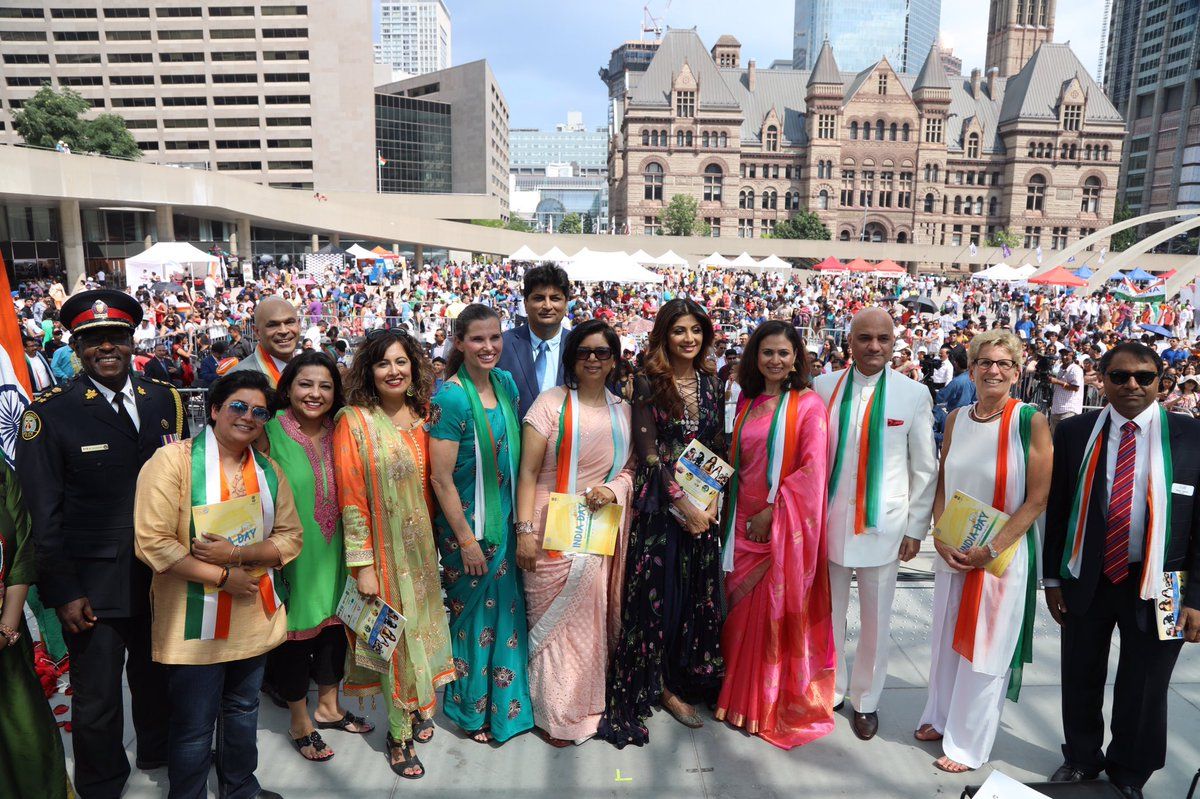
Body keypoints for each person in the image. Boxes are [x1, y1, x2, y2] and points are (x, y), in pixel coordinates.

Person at [15, 289, 188, 799]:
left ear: (132, 339)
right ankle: (101, 782)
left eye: (115, 336)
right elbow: (41, 514)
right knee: (97, 697)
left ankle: (158, 750)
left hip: (161, 573)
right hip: (91, 585)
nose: (106, 348)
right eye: (93, 340)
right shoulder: (51, 412)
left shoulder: (165, 399)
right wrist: (63, 589)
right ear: (76, 346)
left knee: (159, 678)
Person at [133, 370, 302, 799]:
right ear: (213, 410)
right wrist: (222, 577)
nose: (248, 417)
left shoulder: (268, 470)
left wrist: (237, 556)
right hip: (193, 617)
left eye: (259, 412)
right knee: (193, 724)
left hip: (251, 612)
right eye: (238, 407)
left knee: (243, 710)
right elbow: (152, 542)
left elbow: (290, 537)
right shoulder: (172, 462)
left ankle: (240, 787)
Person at [1043, 341, 1200, 799]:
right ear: (1102, 380)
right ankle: (1081, 758)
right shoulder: (1076, 432)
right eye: (1120, 376)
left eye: (1144, 377)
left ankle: (1130, 772)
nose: (1132, 384)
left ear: (1160, 382)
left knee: (1147, 683)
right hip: (1087, 574)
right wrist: (1052, 578)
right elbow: (1058, 509)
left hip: (1166, 582)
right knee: (1079, 671)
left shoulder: (1190, 435)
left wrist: (1196, 600)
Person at [916, 330, 1052, 772]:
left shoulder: (1029, 419)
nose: (994, 370)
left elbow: (1037, 498)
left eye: (1004, 364)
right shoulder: (956, 417)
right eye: (985, 362)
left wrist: (992, 547)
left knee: (986, 648)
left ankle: (967, 744)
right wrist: (939, 532)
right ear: (971, 368)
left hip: (1001, 557)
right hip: (955, 547)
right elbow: (942, 478)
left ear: (1017, 371)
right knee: (945, 639)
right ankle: (940, 716)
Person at [599, 298, 726, 748]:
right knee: (660, 600)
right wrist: (684, 506)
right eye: (679, 331)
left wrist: (709, 504)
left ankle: (681, 677)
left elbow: (714, 445)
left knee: (693, 599)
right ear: (664, 335)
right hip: (659, 510)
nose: (688, 339)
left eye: (695, 330)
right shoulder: (648, 381)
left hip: (702, 509)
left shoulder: (712, 382)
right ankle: (659, 687)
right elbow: (649, 454)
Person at [333, 329, 456, 778]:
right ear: (369, 370)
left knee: (421, 631)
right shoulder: (354, 421)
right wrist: (362, 565)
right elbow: (351, 497)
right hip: (382, 557)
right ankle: (398, 734)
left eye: (402, 362)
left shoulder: (425, 416)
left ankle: (420, 706)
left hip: (423, 554)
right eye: (383, 363)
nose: (394, 371)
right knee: (395, 643)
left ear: (415, 367)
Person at [813, 307, 937, 741]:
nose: (874, 347)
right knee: (828, 616)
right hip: (829, 524)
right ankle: (830, 690)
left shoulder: (913, 394)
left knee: (876, 620)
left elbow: (925, 468)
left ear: (894, 342)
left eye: (882, 339)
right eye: (864, 338)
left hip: (885, 528)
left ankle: (866, 700)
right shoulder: (823, 387)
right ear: (850, 341)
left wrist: (916, 529)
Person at [714, 320, 836, 749]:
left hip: (777, 528)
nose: (776, 360)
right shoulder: (745, 402)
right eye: (767, 352)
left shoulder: (808, 406)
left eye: (784, 353)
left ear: (797, 358)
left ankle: (762, 705)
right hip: (738, 525)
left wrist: (773, 511)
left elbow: (813, 471)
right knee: (738, 614)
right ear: (755, 357)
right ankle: (733, 696)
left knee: (767, 615)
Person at [514, 320, 634, 746]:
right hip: (550, 528)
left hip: (596, 531)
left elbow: (629, 469)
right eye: (584, 351)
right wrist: (524, 531)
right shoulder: (550, 404)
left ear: (614, 359)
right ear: (571, 358)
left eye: (602, 352)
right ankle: (552, 712)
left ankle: (585, 706)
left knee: (587, 626)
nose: (593, 359)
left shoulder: (623, 410)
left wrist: (613, 487)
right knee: (551, 626)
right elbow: (526, 472)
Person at [260, 352, 373, 764]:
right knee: (293, 638)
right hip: (292, 556)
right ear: (287, 388)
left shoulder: (343, 429)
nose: (315, 393)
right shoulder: (267, 431)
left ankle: (329, 707)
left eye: (325, 386)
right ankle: (299, 720)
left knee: (333, 629)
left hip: (339, 550)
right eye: (305, 384)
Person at [429, 304, 533, 744]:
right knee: (472, 621)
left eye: (495, 338)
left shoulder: (506, 383)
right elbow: (440, 477)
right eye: (477, 339)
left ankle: (506, 709)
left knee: (506, 616)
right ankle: (472, 712)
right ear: (459, 342)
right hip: (466, 533)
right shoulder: (448, 398)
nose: (488, 347)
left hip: (506, 523)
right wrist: (468, 541)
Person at [0, 460, 71, 799]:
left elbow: (21, 552)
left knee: (26, 739)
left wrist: (7, 627)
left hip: (5, 643)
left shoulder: (1, 470)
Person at [498, 263, 571, 419]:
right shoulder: (502, 345)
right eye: (539, 298)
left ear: (566, 303)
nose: (547, 306)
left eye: (555, 298)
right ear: (525, 303)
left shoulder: (579, 347)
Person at [231, 297, 300, 389]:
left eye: (289, 322)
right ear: (257, 332)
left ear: (299, 325)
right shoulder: (237, 380)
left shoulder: (310, 371)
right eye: (273, 325)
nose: (283, 331)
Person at [1048, 349, 1084, 433]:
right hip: (1056, 408)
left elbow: (1075, 387)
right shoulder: (1061, 368)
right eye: (1062, 354)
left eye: (1067, 355)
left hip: (1068, 410)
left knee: (1065, 439)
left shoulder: (1075, 369)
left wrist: (1057, 381)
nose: (1064, 357)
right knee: (1055, 439)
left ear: (1072, 356)